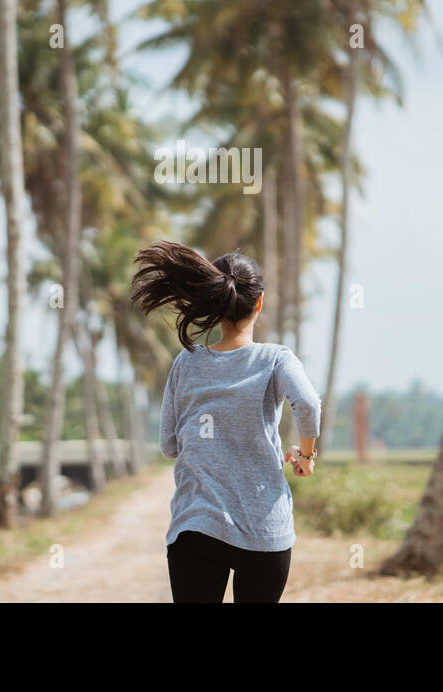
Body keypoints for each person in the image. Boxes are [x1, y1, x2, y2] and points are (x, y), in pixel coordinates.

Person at [130, 239, 321, 603]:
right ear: (259, 303)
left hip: (195, 526)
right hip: (263, 528)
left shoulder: (186, 363)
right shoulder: (276, 359)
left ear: (214, 303)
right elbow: (308, 404)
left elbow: (169, 446)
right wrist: (306, 458)